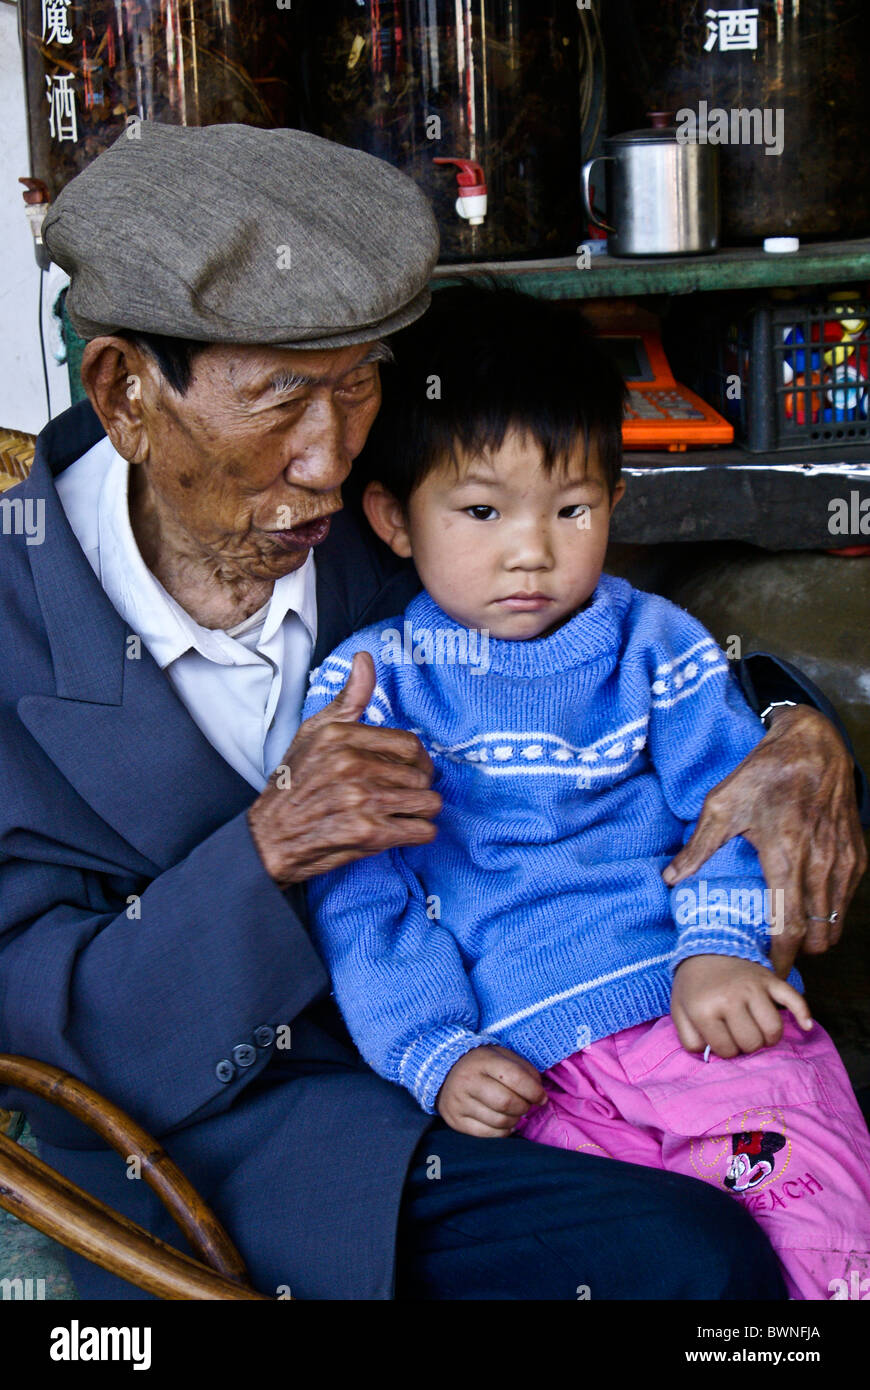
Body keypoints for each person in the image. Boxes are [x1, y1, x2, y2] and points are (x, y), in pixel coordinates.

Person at [0, 122, 866, 1301]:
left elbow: (614, 620)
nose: (324, 459)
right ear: (125, 393)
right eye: (280, 400)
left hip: (526, 1028)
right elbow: (33, 1024)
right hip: (249, 1137)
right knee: (693, 1262)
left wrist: (787, 724)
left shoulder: (381, 496)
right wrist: (266, 851)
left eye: (355, 386)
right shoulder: (15, 620)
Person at [301, 281, 870, 1300]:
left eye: (573, 508)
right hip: (529, 1081)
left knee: (799, 1205)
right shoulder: (374, 687)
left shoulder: (655, 648)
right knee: (652, 1264)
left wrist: (717, 949)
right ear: (392, 517)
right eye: (481, 511)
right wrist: (433, 1053)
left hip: (701, 1026)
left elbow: (730, 806)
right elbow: (364, 900)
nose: (532, 551)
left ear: (615, 495)